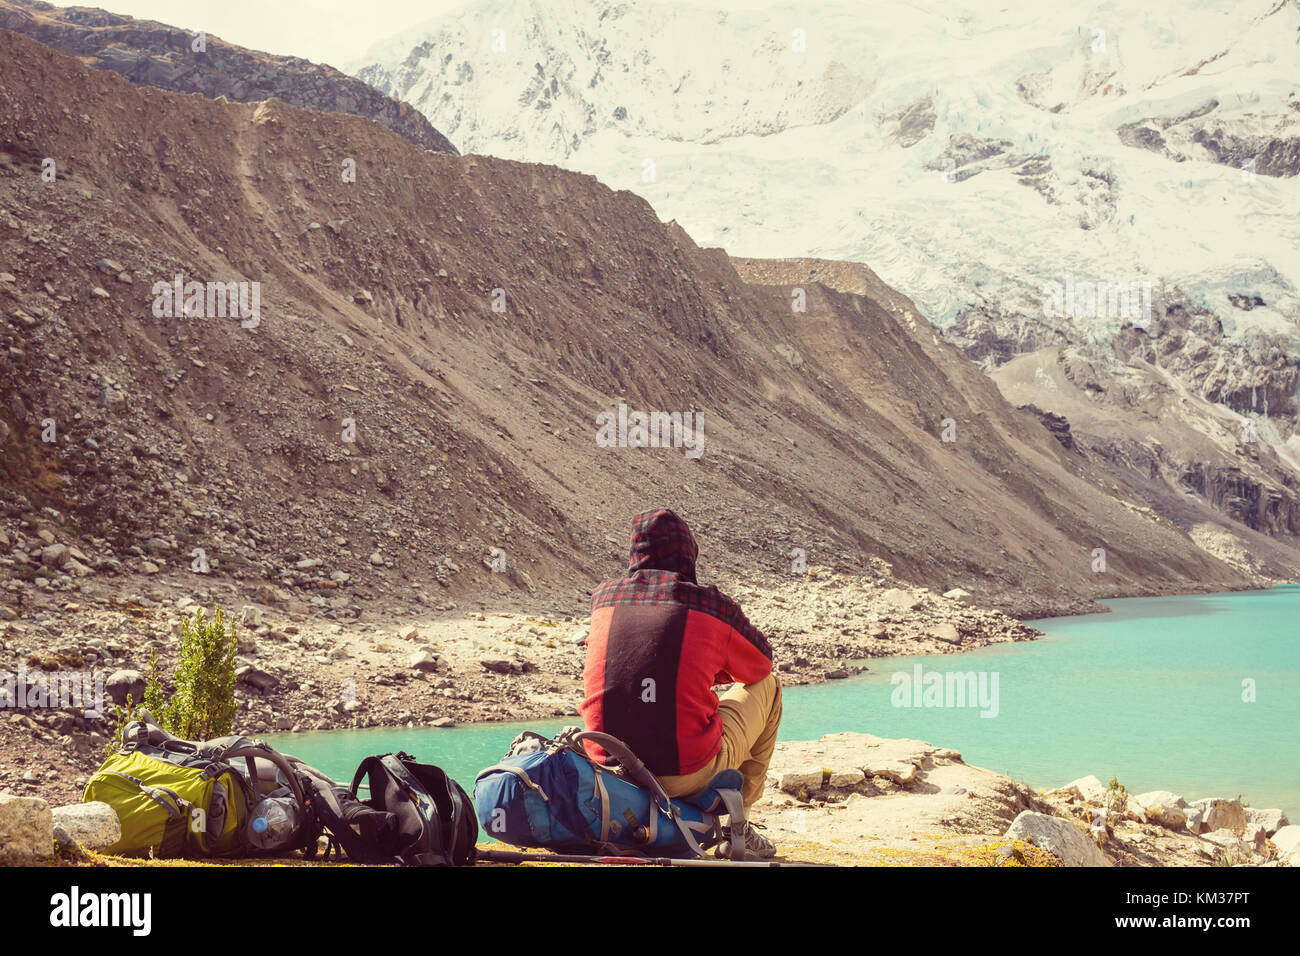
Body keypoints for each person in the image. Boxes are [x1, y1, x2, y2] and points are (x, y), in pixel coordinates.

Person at [579, 508, 783, 858]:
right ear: (688, 553)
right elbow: (761, 666)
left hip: (606, 770)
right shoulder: (708, 604)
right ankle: (739, 827)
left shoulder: (604, 600)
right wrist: (710, 670)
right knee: (771, 686)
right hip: (683, 772)